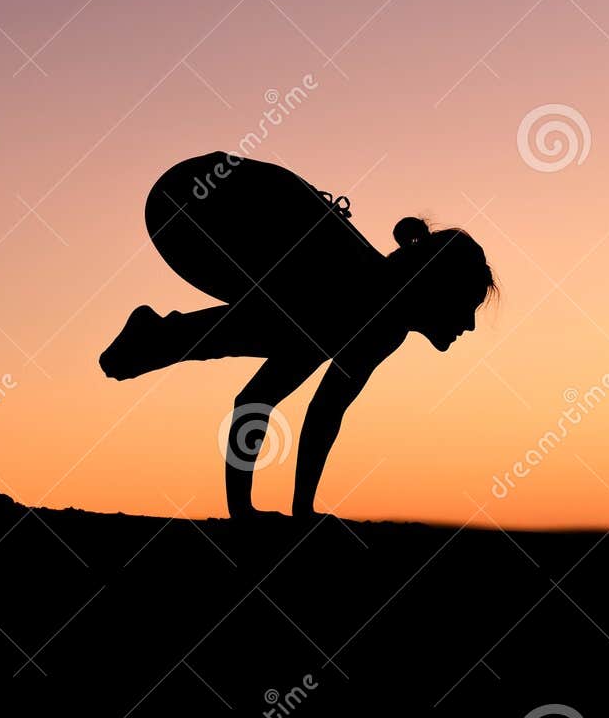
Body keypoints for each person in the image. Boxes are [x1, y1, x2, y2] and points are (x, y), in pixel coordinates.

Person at [99, 151, 497, 520]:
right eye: (468, 306)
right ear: (436, 291)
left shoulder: (379, 322)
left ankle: (157, 336)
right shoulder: (356, 300)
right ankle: (156, 337)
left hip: (202, 201)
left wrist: (300, 510)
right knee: (288, 328)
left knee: (286, 325)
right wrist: (247, 512)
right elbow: (261, 402)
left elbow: (324, 412)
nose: (470, 325)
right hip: (190, 200)